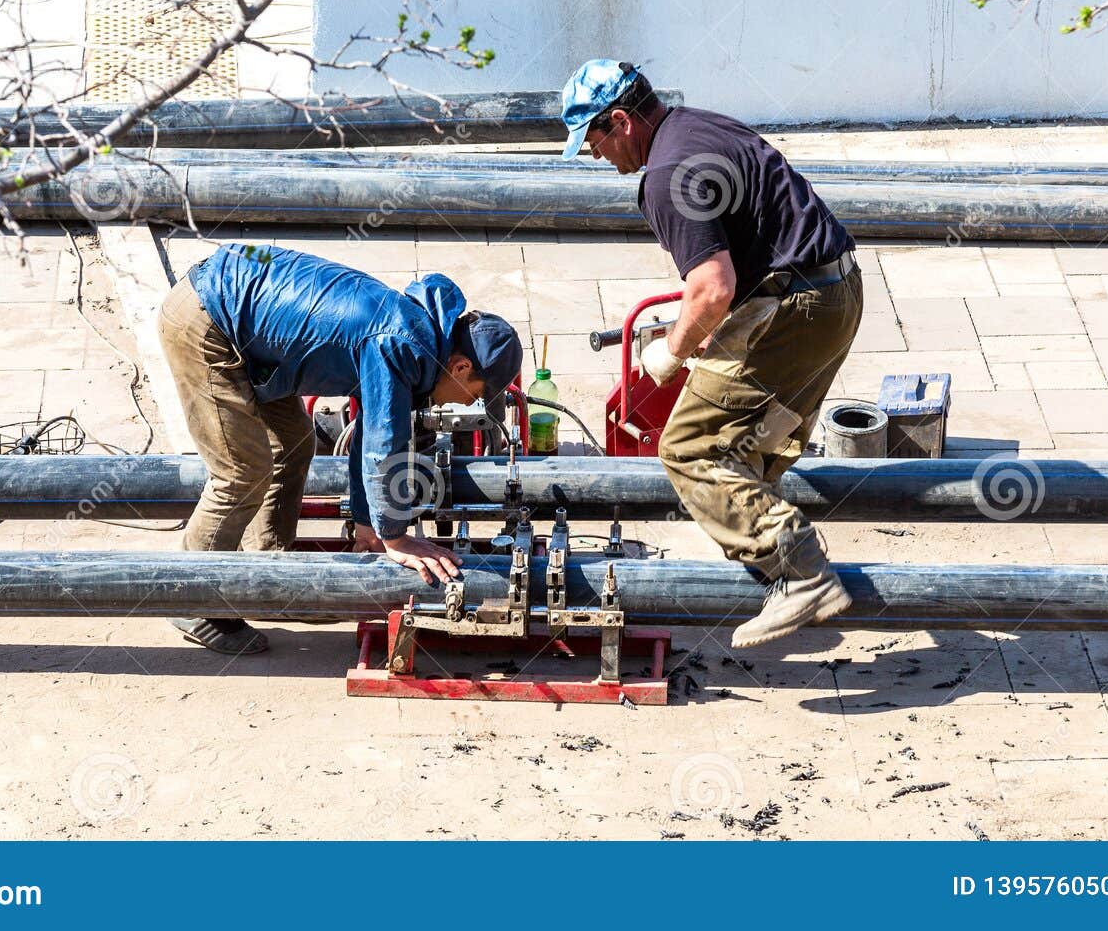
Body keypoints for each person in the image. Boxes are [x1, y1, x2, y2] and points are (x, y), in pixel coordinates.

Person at [561, 59, 863, 648]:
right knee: (754, 444)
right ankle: (778, 577)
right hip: (836, 295)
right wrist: (703, 325)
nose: (594, 154)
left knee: (690, 447)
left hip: (794, 310)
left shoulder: (664, 175)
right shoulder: (699, 126)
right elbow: (750, 241)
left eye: (592, 139)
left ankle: (803, 573)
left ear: (620, 121)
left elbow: (712, 288)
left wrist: (669, 353)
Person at [159, 243, 523, 655]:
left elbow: (370, 432)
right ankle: (188, 597)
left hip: (247, 315)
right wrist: (396, 539)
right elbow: (383, 447)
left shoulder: (419, 334)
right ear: (460, 367)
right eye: (474, 394)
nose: (464, 404)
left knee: (293, 444)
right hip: (209, 320)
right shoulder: (401, 343)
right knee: (242, 471)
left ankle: (265, 564)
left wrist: (370, 525)